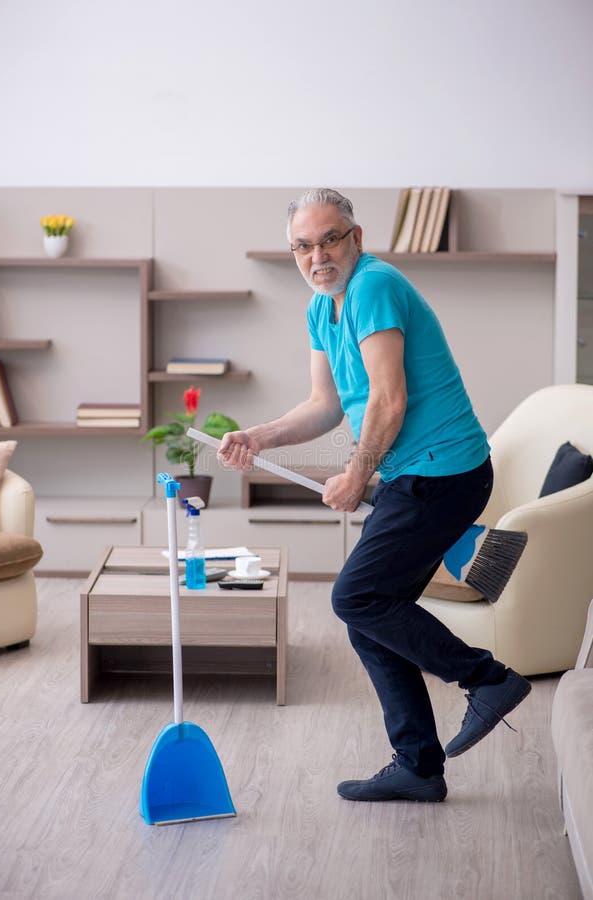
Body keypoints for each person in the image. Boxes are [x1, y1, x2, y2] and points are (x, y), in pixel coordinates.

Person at [218, 188, 531, 803]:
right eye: (302, 246)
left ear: (356, 239)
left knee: (356, 595)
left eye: (330, 239)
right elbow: (324, 406)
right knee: (370, 616)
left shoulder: (372, 287)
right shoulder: (321, 308)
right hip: (412, 475)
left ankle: (488, 680)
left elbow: (389, 401)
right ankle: (418, 765)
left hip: (443, 474)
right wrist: (257, 437)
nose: (318, 256)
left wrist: (357, 476)